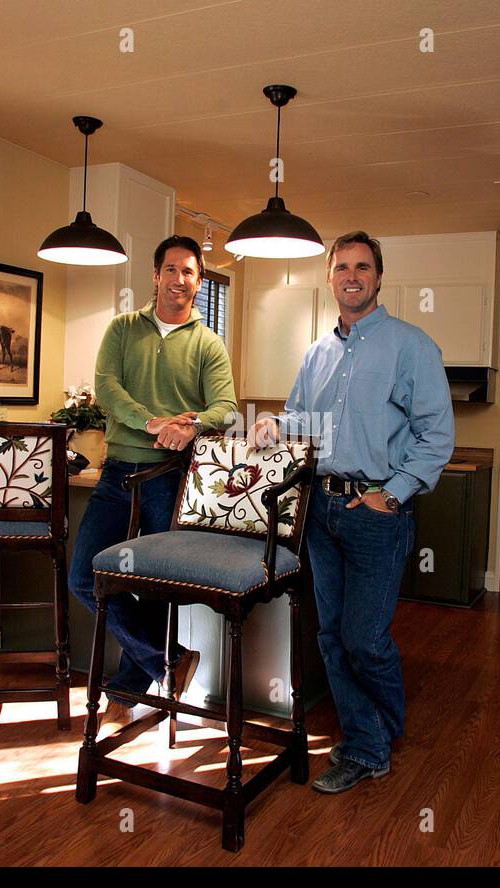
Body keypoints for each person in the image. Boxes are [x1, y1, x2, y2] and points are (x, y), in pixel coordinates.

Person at [251, 230, 454, 793]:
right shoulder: (318, 353)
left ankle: (376, 734)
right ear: (330, 278)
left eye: (363, 267)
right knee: (332, 636)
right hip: (321, 511)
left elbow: (437, 436)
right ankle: (371, 739)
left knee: (365, 638)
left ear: (379, 277)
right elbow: (304, 419)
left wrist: (391, 495)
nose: (352, 276)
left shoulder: (411, 346)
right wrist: (275, 422)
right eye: (342, 267)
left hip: (375, 515)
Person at [69, 235, 237, 735]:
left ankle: (125, 693)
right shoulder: (123, 329)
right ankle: (171, 660)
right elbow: (107, 388)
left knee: (156, 588)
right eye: (170, 269)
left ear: (199, 281)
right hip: (118, 473)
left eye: (189, 272)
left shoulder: (208, 344)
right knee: (86, 578)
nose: (178, 279)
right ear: (155, 275)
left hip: (171, 479)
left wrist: (191, 425)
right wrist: (150, 422)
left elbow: (226, 407)